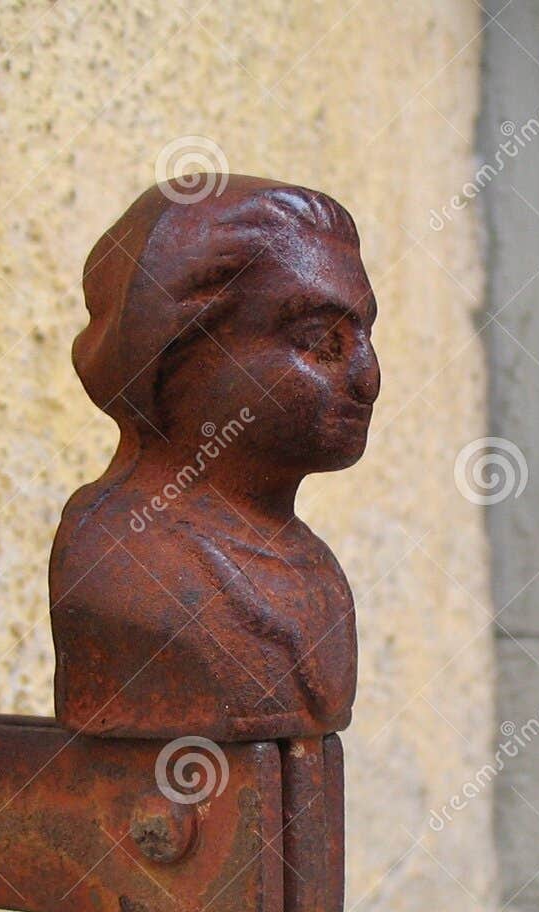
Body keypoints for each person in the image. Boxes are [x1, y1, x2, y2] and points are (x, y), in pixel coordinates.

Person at [50, 175, 379, 740]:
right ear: (182, 348)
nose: (368, 379)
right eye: (319, 341)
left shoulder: (312, 567)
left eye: (364, 336)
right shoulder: (123, 559)